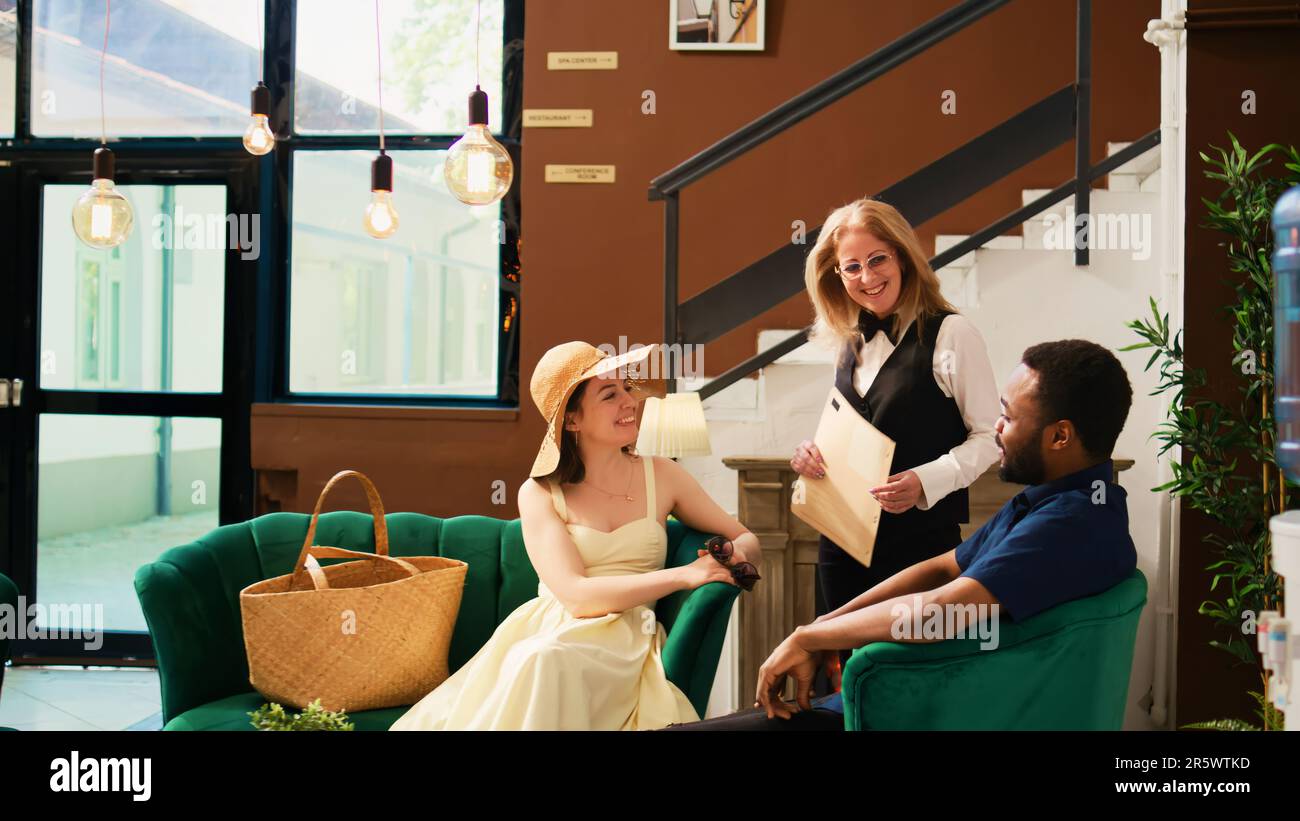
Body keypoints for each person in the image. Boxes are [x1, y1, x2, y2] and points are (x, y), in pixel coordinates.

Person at [663, 338, 1138, 730]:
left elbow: (940, 611)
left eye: (1008, 417)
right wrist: (819, 634)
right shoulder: (1062, 501)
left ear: (1059, 436)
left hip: (924, 710)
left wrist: (809, 638)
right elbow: (942, 566)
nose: (995, 428)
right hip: (918, 698)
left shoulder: (1067, 524)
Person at [391, 340, 760, 730]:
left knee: (546, 660)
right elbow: (577, 597)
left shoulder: (662, 475)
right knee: (543, 658)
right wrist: (684, 575)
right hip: (553, 628)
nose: (629, 401)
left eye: (625, 388)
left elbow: (746, 537)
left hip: (628, 636)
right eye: (609, 395)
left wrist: (734, 555)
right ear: (572, 421)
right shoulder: (538, 494)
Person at [791, 197, 1001, 680]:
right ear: (836, 277)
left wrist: (925, 481)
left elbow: (991, 437)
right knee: (840, 678)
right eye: (851, 268)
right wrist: (811, 453)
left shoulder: (953, 334)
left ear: (903, 256)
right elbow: (859, 423)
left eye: (877, 259)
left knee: (909, 679)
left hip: (919, 548)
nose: (867, 277)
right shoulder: (849, 340)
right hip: (840, 542)